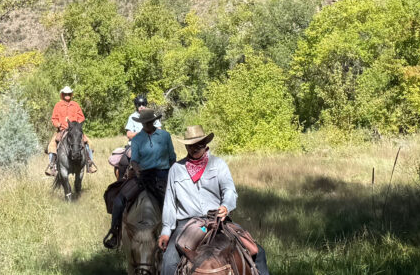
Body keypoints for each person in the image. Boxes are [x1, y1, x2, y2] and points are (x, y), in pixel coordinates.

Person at [158, 125, 270, 275]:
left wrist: (226, 206)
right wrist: (166, 231)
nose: (195, 148)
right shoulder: (176, 169)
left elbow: (229, 190)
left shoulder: (218, 164)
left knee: (257, 251)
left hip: (217, 219)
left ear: (205, 144)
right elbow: (170, 203)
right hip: (186, 223)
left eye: (199, 144)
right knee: (169, 260)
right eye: (190, 145)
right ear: (186, 146)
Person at [104, 108, 173, 249]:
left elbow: (172, 157)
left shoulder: (165, 136)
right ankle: (115, 233)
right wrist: (136, 168)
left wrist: (173, 174)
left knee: (173, 203)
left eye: (149, 122)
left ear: (153, 121)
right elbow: (134, 159)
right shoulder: (137, 139)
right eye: (144, 123)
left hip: (162, 174)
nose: (146, 125)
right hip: (143, 175)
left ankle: (176, 234)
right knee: (118, 200)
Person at [46, 85, 97, 176]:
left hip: (75, 130)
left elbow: (82, 117)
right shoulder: (58, 105)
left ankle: (89, 164)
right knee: (52, 145)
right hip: (62, 130)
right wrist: (58, 124)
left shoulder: (75, 105)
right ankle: (52, 166)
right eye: (65, 94)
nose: (67, 95)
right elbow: (54, 119)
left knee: (88, 143)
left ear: (71, 94)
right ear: (62, 94)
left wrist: (76, 125)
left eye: (69, 93)